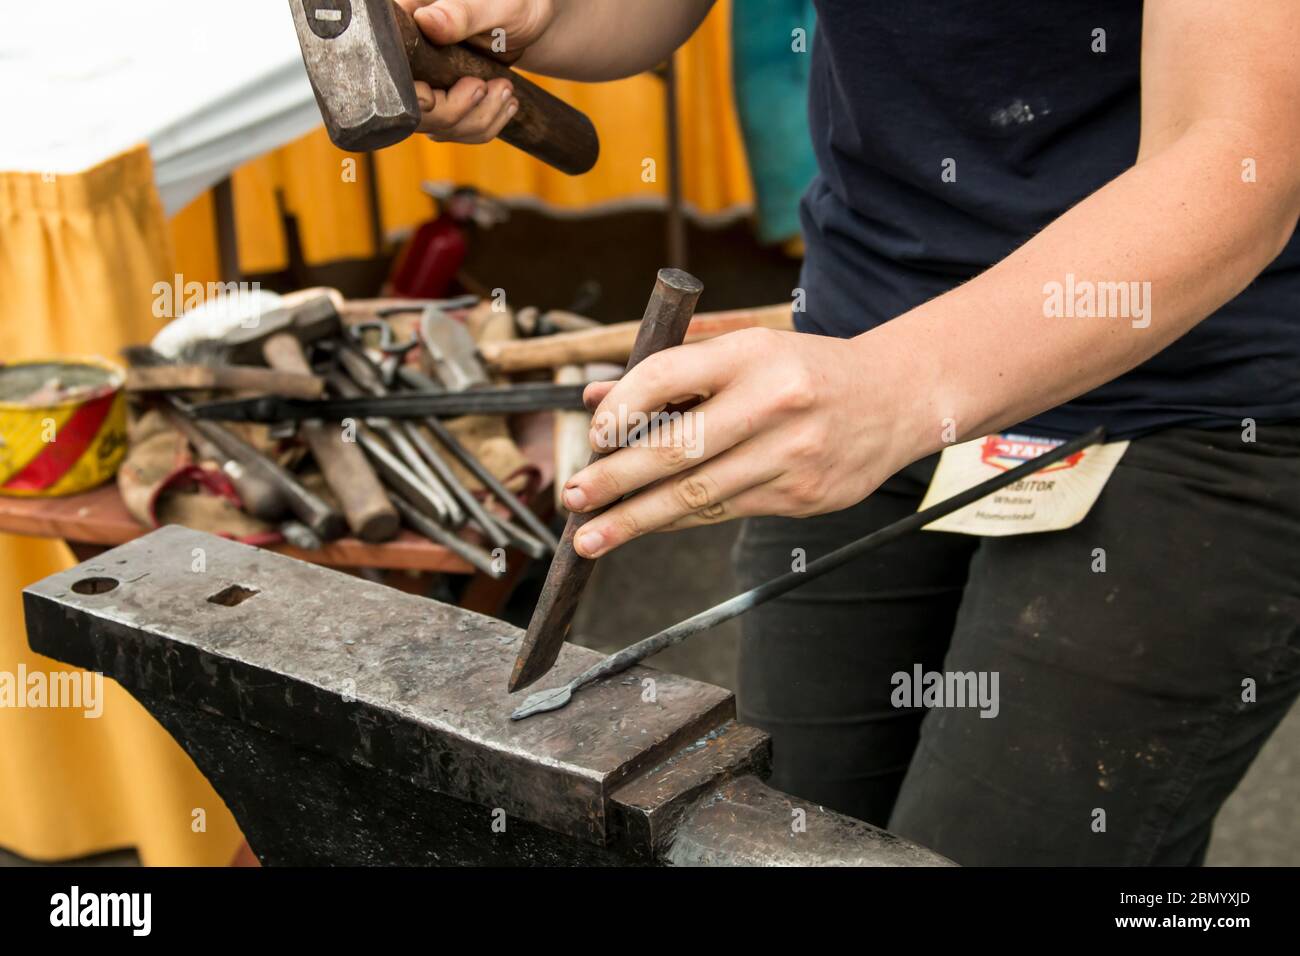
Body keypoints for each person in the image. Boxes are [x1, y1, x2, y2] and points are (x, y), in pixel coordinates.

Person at [397, 0, 1300, 865]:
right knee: (777, 829)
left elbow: (1235, 160)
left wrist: (895, 387)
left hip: (1193, 395)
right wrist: (539, 13)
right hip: (863, 332)